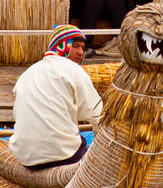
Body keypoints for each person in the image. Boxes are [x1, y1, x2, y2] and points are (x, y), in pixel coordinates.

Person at [9, 25, 103, 170]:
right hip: (62, 155)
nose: (80, 52)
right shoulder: (73, 71)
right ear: (61, 46)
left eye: (83, 48)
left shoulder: (27, 73)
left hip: (24, 156)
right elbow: (98, 114)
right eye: (75, 46)